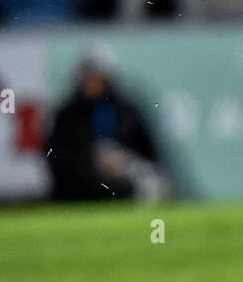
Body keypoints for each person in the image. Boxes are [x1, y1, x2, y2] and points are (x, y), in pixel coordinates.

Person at [44, 49, 168, 202]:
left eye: (97, 78)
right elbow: (56, 156)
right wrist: (91, 159)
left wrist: (122, 160)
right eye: (88, 78)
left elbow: (149, 151)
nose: (92, 84)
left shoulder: (127, 111)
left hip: (125, 174)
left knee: (151, 181)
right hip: (82, 180)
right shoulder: (67, 115)